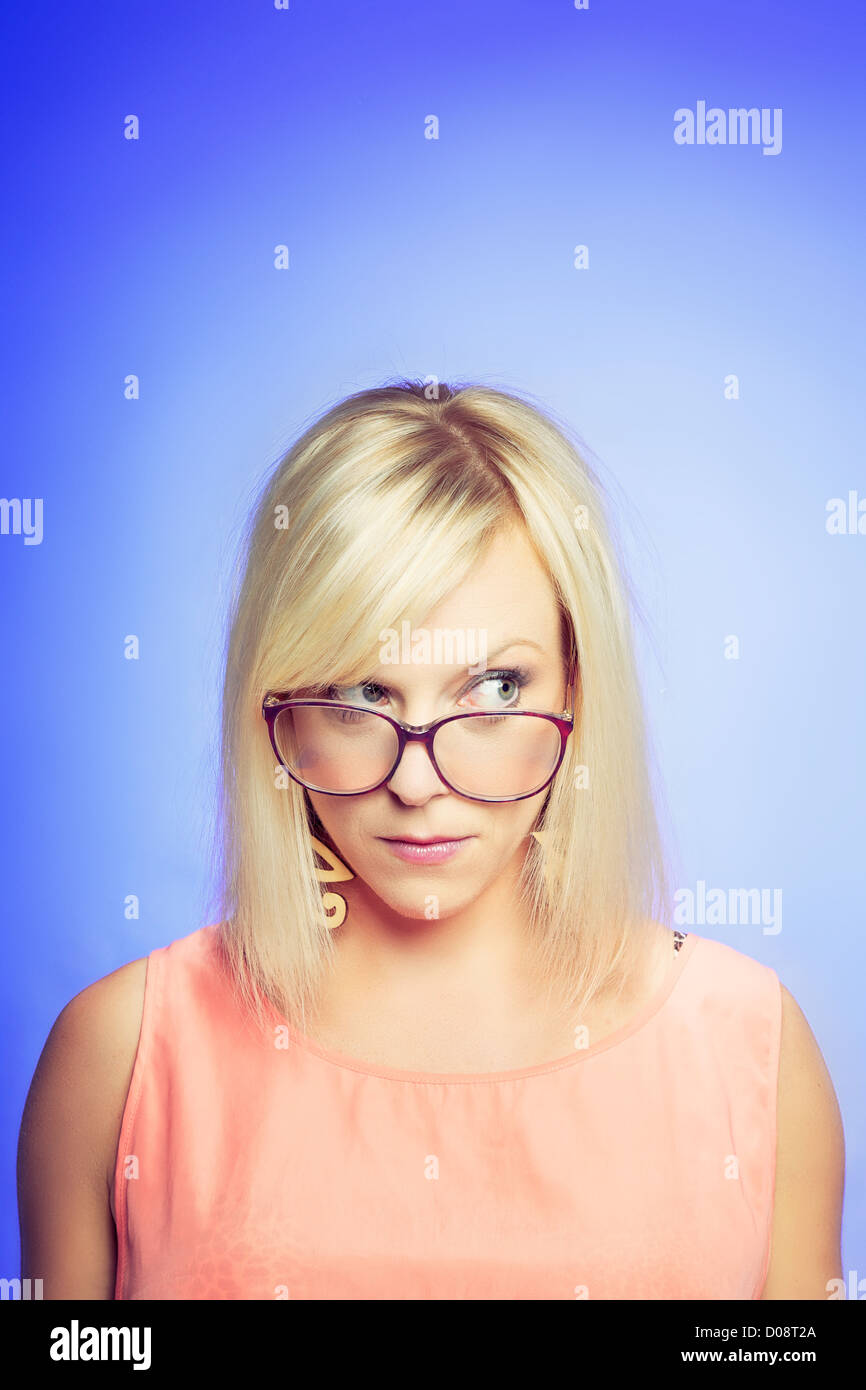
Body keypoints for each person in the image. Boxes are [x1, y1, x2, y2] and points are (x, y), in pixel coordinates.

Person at [18, 380, 844, 1299]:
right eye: (362, 693)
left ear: (578, 684)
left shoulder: (749, 1051)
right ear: (274, 707)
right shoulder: (120, 1054)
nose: (418, 783)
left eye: (492, 688)